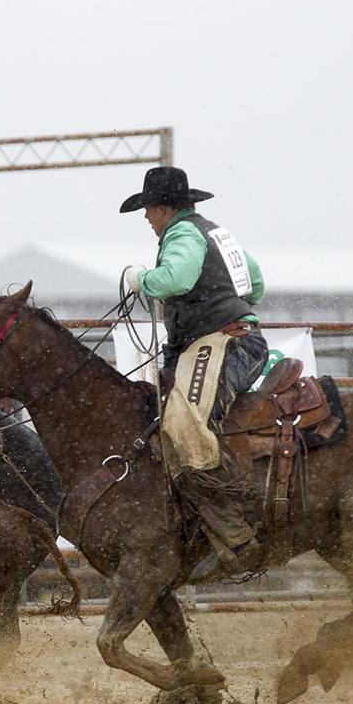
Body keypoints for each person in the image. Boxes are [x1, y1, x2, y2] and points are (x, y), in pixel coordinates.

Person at [120, 166, 268, 575]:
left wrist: (139, 278)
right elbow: (255, 286)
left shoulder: (183, 235)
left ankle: (233, 530)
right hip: (232, 337)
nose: (147, 218)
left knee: (181, 425)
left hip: (219, 341)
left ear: (163, 208)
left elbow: (175, 279)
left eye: (148, 209)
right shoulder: (216, 232)